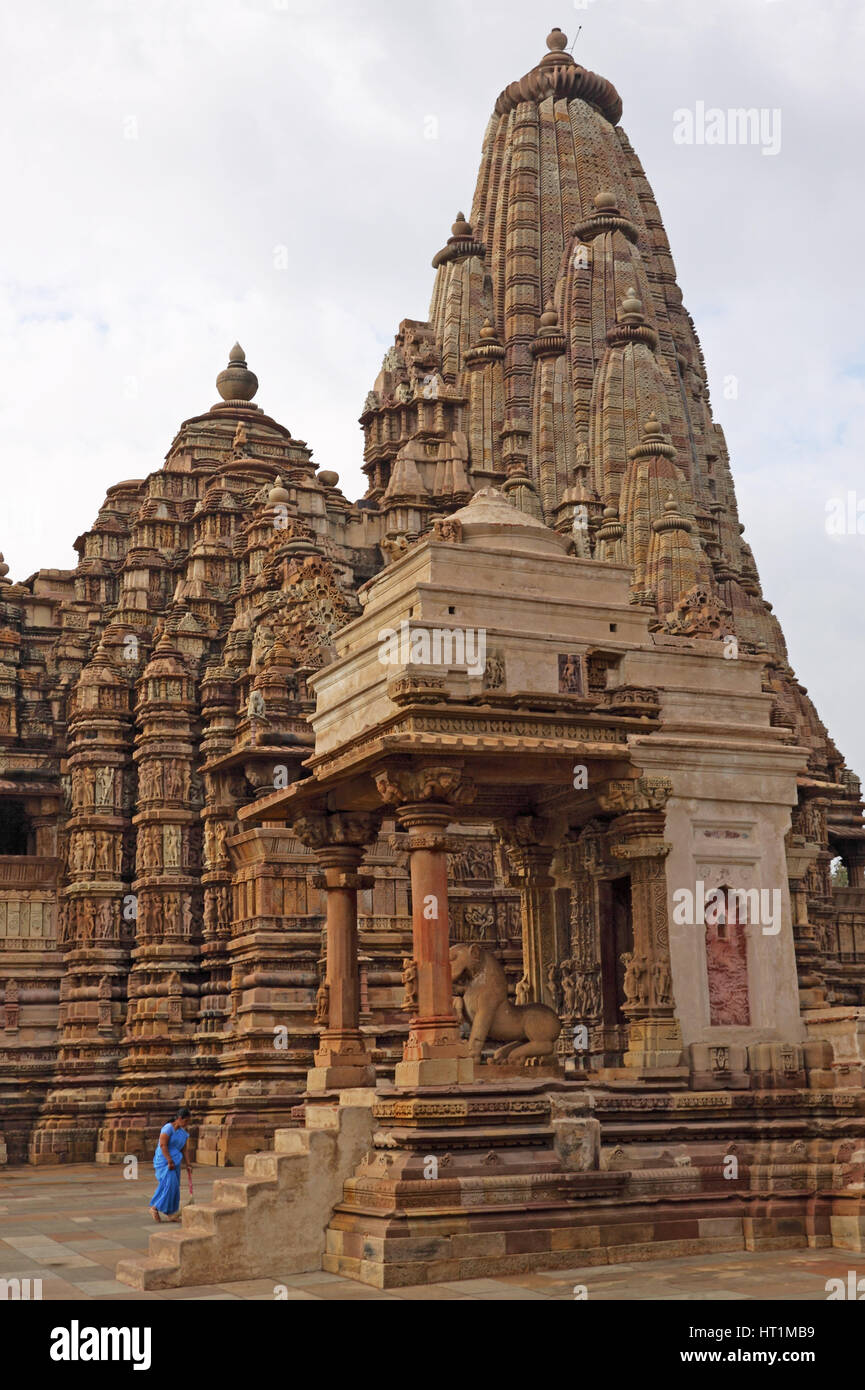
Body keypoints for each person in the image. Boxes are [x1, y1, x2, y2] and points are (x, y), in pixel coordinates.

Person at [149, 1107, 192, 1223]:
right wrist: (169, 1160)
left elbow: (184, 1149)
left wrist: (188, 1163)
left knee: (173, 1186)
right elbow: (163, 1145)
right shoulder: (168, 1128)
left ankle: (171, 1212)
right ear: (179, 1118)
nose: (187, 1123)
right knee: (170, 1185)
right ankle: (155, 1207)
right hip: (164, 1160)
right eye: (186, 1121)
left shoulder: (183, 1133)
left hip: (175, 1161)